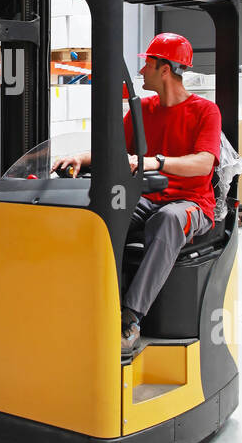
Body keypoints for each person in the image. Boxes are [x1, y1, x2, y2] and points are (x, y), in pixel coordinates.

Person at [52, 33, 221, 353]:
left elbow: (203, 164)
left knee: (168, 220)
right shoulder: (143, 108)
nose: (142, 71)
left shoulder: (205, 111)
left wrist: (155, 161)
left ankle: (130, 318)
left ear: (165, 69)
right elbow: (115, 151)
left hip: (191, 204)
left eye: (148, 64)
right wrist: (79, 157)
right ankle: (82, 301)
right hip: (146, 197)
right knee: (102, 214)